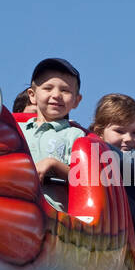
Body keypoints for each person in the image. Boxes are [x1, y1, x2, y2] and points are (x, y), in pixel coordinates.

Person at [89, 93, 135, 241]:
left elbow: (130, 164)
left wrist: (99, 149)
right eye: (119, 131)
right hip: (104, 223)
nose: (128, 138)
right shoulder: (92, 149)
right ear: (99, 132)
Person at [21, 58, 85, 210]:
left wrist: (53, 164)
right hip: (11, 205)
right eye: (48, 88)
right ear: (32, 95)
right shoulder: (17, 129)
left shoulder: (75, 136)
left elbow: (84, 178)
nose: (56, 95)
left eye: (65, 90)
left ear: (76, 100)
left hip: (52, 217)